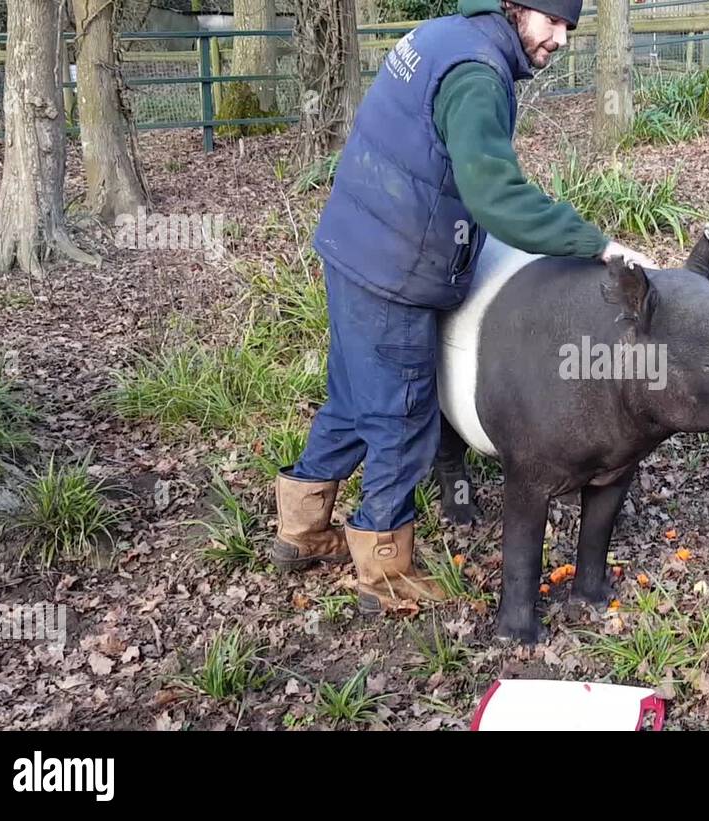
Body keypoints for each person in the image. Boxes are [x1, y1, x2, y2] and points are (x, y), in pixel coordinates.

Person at [270, 0, 657, 615]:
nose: (560, 39)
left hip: (354, 241)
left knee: (352, 396)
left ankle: (300, 528)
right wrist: (596, 244)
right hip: (394, 265)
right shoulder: (478, 74)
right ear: (516, 8)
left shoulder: (445, 34)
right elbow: (495, 192)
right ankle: (383, 573)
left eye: (569, 27)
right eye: (552, 21)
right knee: (402, 418)